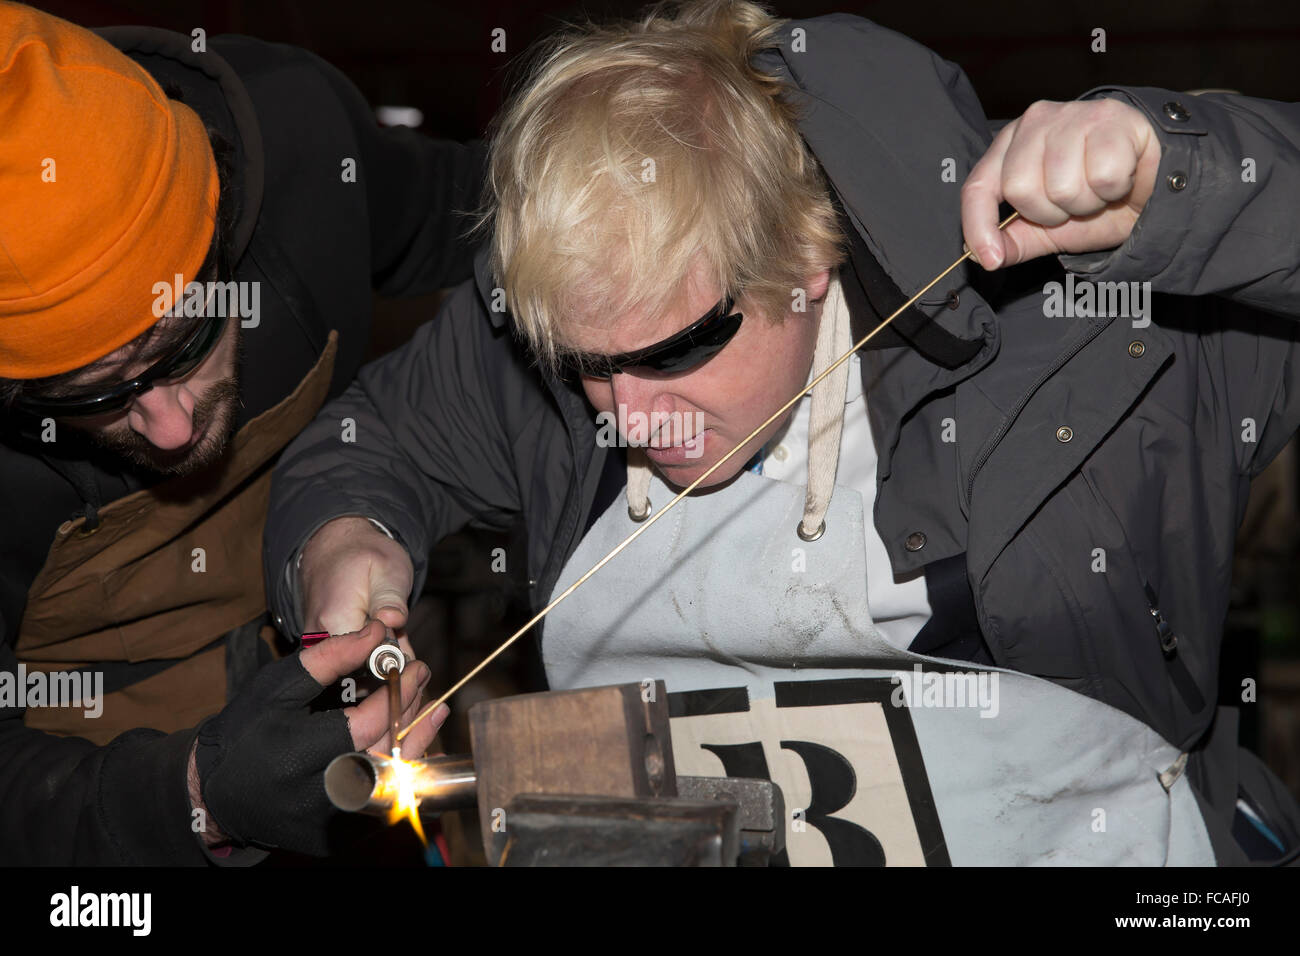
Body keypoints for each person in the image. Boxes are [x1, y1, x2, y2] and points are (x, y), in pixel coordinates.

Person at [266, 0, 1300, 865]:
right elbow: (370, 439)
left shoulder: (1098, 321)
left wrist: (1186, 174)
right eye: (581, 365)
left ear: (808, 257)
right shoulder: (548, 324)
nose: (626, 415)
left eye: (674, 350)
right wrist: (343, 538)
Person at [0, 2, 473, 863]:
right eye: (89, 396)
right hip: (82, 783)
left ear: (225, 216)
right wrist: (196, 796)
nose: (173, 430)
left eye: (182, 342)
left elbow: (494, 217)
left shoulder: (304, 149)